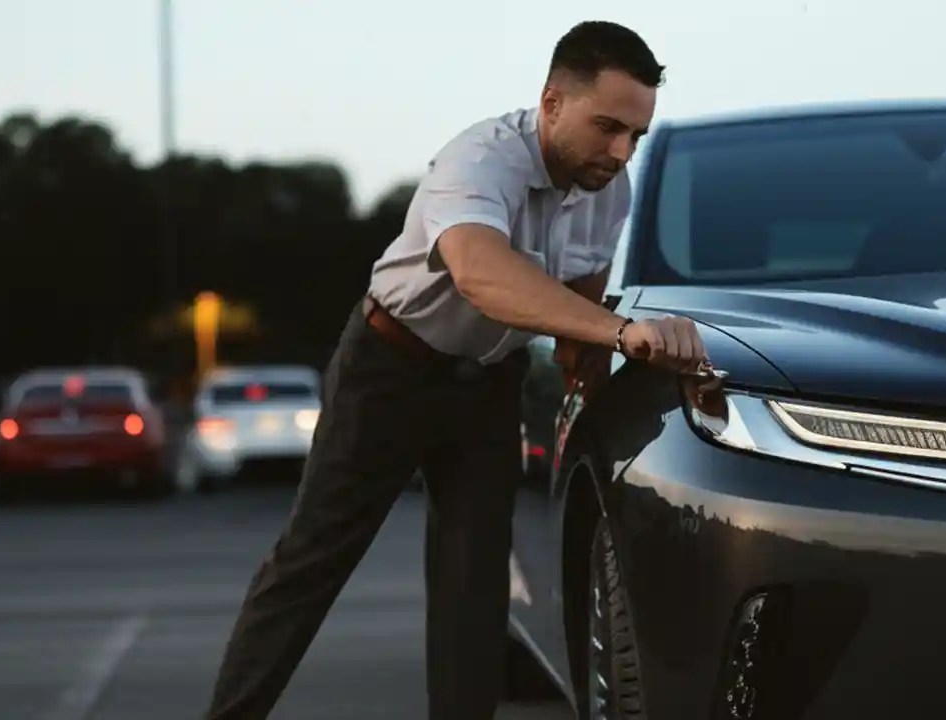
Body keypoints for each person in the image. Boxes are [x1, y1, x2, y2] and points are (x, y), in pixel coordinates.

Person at [203, 19, 708, 720]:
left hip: (486, 386)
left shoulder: (609, 194)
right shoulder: (479, 160)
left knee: (474, 586)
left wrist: (624, 361)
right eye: (607, 128)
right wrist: (623, 331)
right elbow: (479, 272)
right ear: (552, 102)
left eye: (636, 136)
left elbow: (576, 318)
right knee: (312, 564)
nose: (621, 153)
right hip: (390, 365)